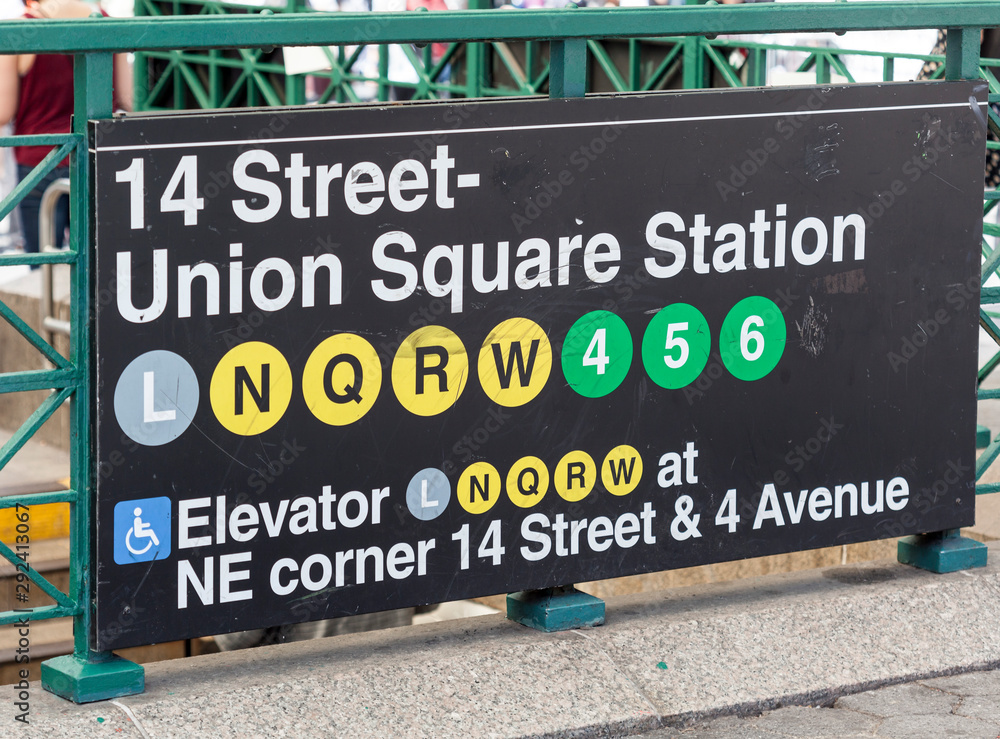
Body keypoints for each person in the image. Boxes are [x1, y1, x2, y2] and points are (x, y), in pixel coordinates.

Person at [0, 0, 131, 257]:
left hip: (39, 161)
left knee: (43, 265)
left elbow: (3, 112)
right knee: (98, 263)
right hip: (97, 157)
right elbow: (128, 99)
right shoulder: (106, 22)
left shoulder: (19, 30)